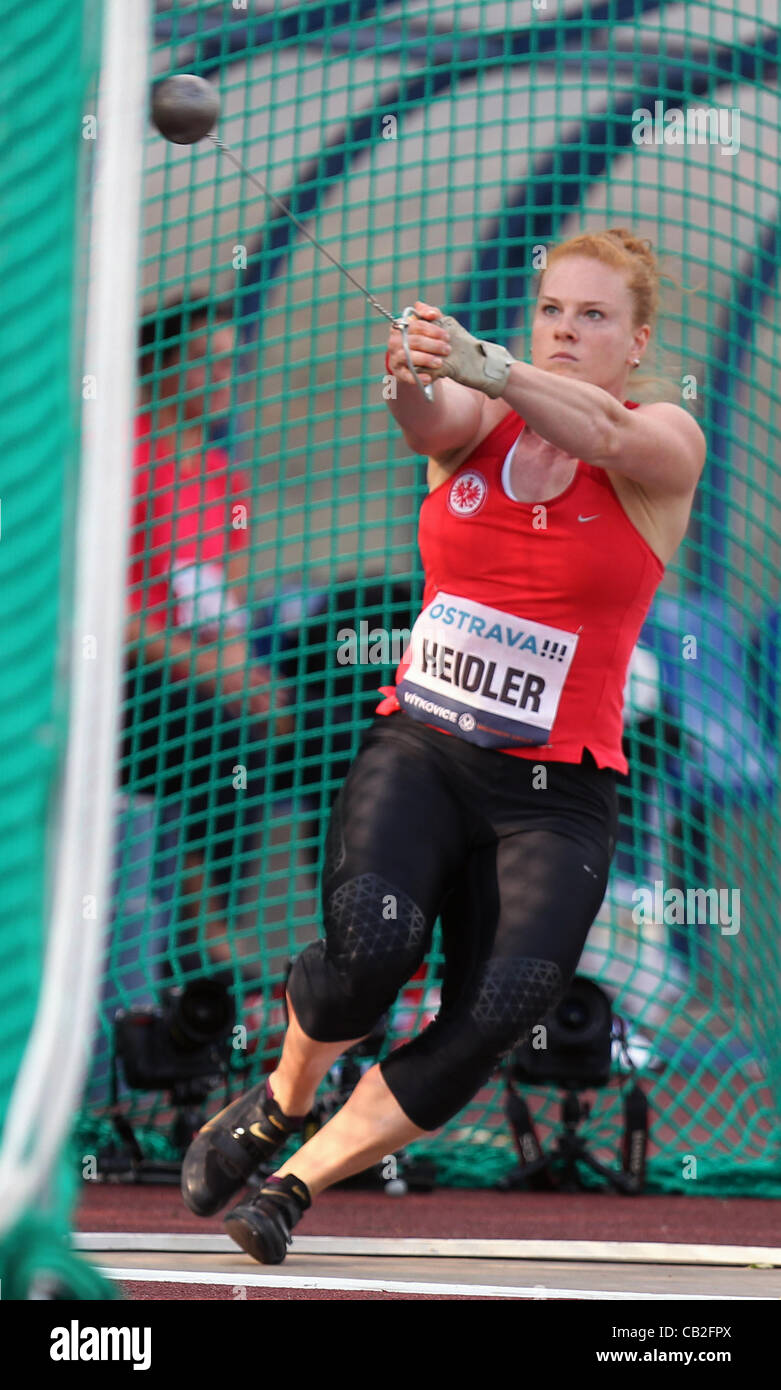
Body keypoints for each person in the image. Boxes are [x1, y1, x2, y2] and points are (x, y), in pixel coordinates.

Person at [180, 228, 705, 1263]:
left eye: (593, 316)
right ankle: (280, 1100)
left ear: (635, 339)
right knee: (365, 957)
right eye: (553, 309)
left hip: (558, 792)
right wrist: (409, 370)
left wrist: (493, 362)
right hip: (423, 748)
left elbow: (604, 433)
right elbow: (433, 413)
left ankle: (294, 1182)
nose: (567, 329)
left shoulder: (662, 437)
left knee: (502, 1005)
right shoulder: (486, 418)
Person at [120, 292, 291, 973]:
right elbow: (106, 614)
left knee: (329, 726)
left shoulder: (224, 478)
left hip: (195, 672)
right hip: (122, 679)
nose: (223, 378)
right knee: (219, 728)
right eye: (202, 362)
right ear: (154, 369)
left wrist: (244, 672)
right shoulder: (119, 460)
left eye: (229, 362)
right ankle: (205, 940)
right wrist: (215, 674)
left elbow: (223, 606)